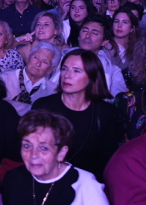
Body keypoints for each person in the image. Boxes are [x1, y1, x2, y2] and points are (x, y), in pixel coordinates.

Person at [33, 49, 122, 181]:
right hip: (47, 181)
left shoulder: (106, 113)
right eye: (64, 69)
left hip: (88, 186)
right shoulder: (43, 107)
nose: (67, 75)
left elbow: (108, 163)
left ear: (92, 76)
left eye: (76, 71)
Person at [1, 41, 61, 114]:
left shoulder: (53, 91)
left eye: (45, 62)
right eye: (35, 58)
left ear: (51, 69)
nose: (38, 64)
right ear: (29, 57)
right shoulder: (4, 79)